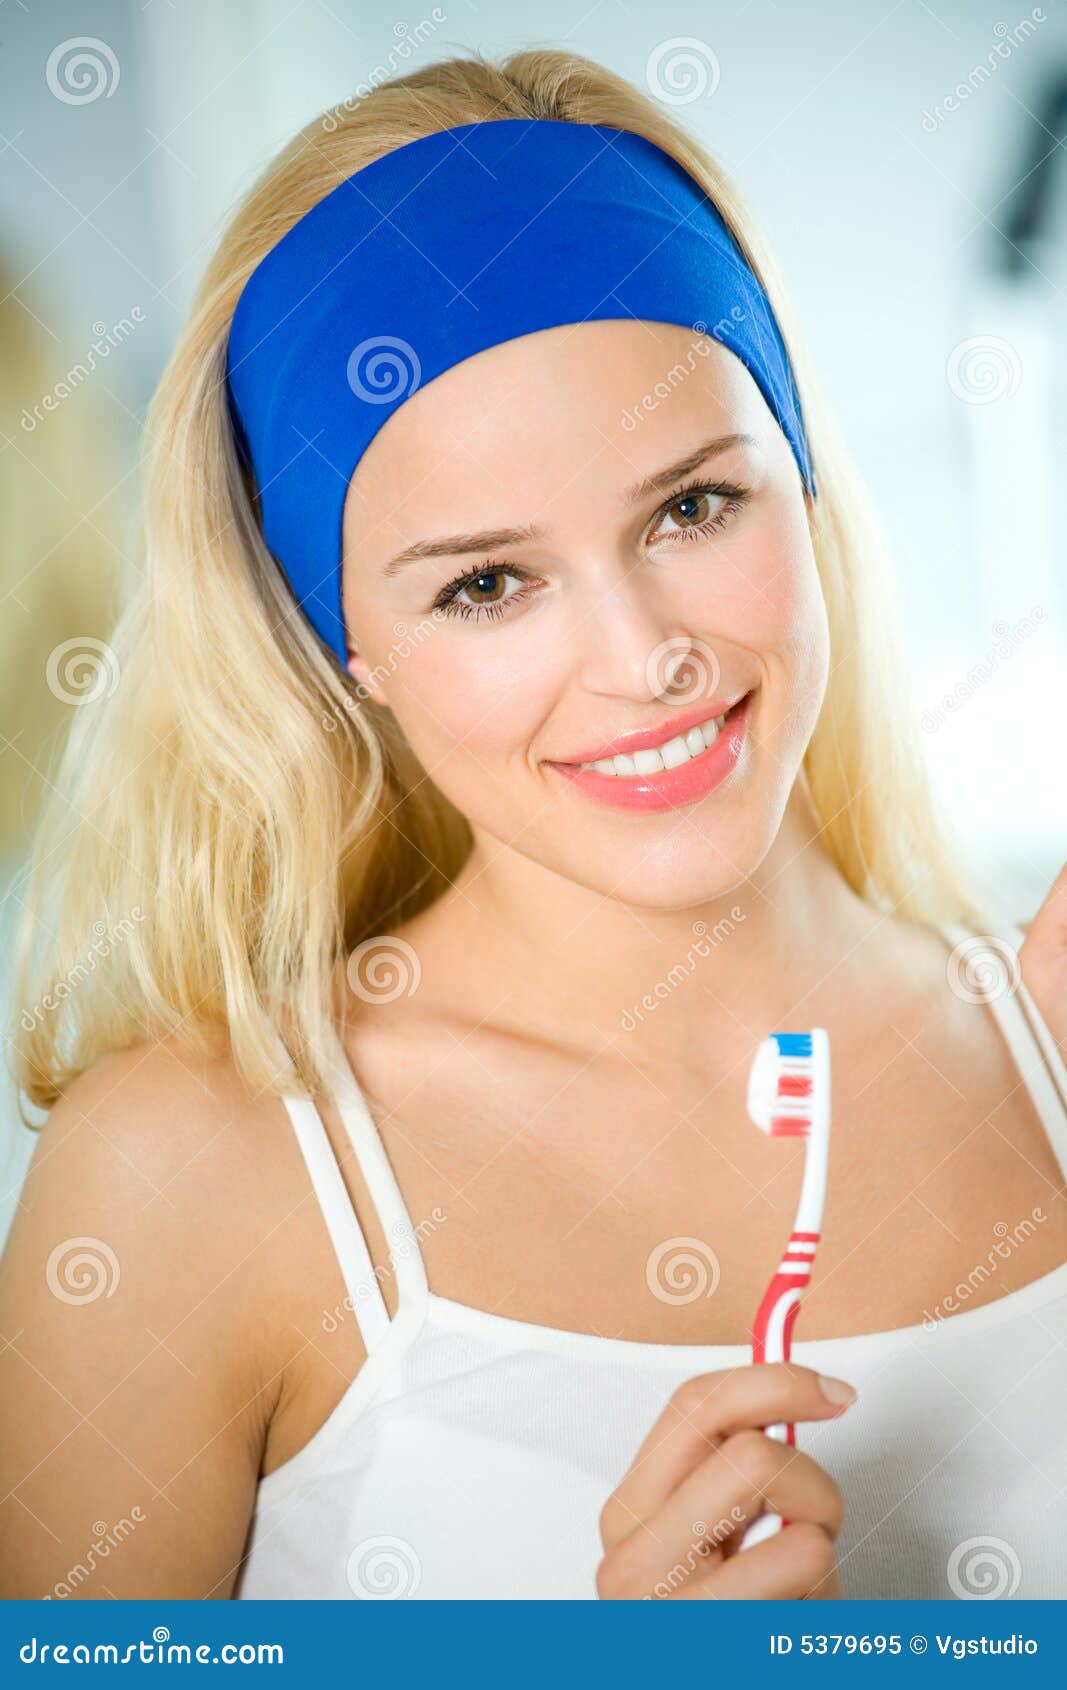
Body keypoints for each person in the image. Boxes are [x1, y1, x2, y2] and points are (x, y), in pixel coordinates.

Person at [2, 48, 1066, 1603]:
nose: (646, 659)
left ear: (807, 482)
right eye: (486, 584)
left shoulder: (1049, 1050)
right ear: (341, 646)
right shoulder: (182, 1183)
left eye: (695, 506)